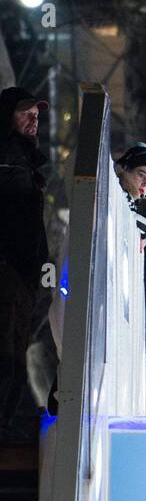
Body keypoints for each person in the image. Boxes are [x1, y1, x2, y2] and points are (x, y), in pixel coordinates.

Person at [0, 86, 50, 439]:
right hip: (8, 269)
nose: (34, 119)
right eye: (25, 112)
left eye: (37, 113)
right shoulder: (7, 155)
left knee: (14, 357)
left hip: (22, 273)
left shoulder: (25, 158)